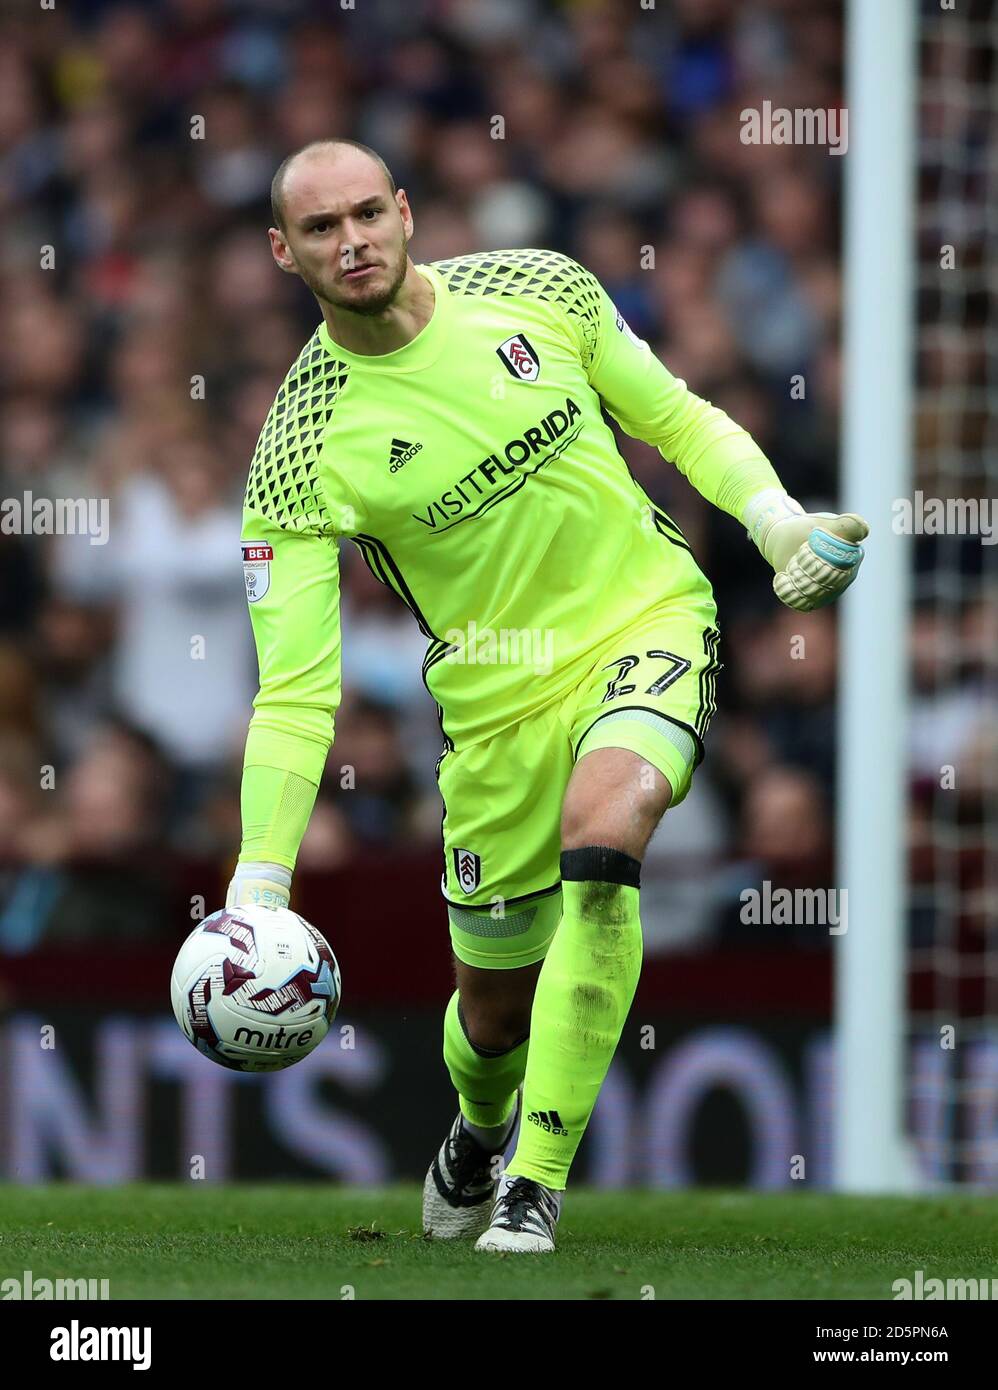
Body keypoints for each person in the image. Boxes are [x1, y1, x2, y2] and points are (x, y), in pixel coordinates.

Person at [223, 138, 868, 1252]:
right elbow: (294, 692)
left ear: (407, 210)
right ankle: (479, 1128)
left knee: (604, 840)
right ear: (285, 253)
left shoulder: (540, 286)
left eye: (368, 213)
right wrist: (259, 879)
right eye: (322, 229)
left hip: (646, 621)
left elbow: (673, 417)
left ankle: (535, 1181)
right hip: (491, 721)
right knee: (489, 1017)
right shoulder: (297, 449)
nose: (353, 240)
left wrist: (775, 523)